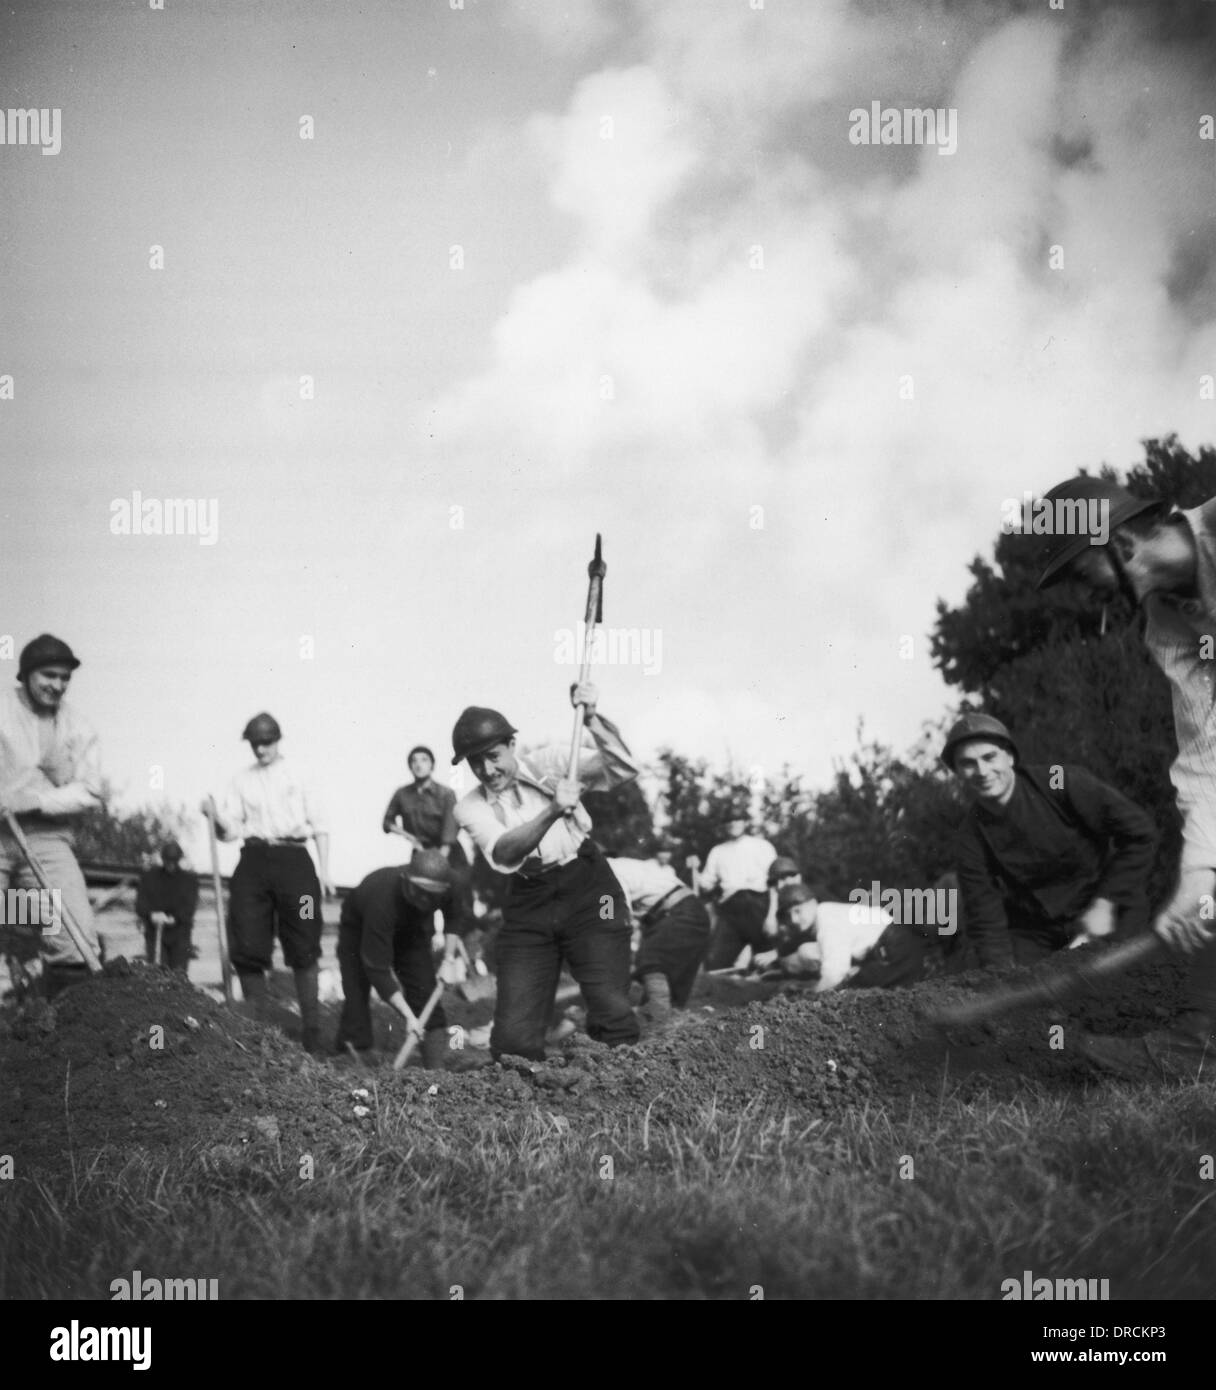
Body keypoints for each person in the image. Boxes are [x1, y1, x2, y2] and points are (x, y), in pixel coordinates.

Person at [1034, 476, 1216, 1078]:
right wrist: (1197, 877)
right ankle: (1196, 1049)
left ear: (1121, 543)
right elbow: (1202, 754)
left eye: (1090, 577)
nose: (1097, 598)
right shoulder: (1168, 625)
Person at [451, 682, 640, 1061]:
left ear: (511, 745)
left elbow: (622, 768)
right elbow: (504, 852)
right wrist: (552, 809)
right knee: (513, 1043)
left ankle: (620, 1097)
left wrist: (591, 718)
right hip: (529, 906)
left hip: (593, 891)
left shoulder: (553, 762)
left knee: (610, 1006)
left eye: (493, 756)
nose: (487, 771)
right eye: (476, 763)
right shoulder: (468, 807)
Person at [943, 712, 1156, 969]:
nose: (982, 771)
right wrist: (1000, 976)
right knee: (1018, 986)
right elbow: (985, 917)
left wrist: (1105, 902)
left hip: (1107, 902)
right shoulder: (969, 836)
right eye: (968, 763)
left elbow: (1139, 832)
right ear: (957, 772)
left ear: (1009, 756)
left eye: (990, 757)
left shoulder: (1059, 781)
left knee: (1119, 979)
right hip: (1038, 929)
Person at [203, 712, 333, 1054]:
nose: (261, 750)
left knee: (305, 936)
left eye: (267, 742)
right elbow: (229, 831)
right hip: (254, 862)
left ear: (278, 740)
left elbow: (320, 823)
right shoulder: (240, 780)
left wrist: (326, 871)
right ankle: (255, 1035)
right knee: (247, 942)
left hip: (297, 865)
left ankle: (313, 1034)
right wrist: (215, 815)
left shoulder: (300, 774)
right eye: (255, 744)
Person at [0, 634, 103, 994]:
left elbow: (90, 791)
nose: (57, 685)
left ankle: (65, 1037)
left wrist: (36, 801)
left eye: (64, 678)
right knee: (8, 922)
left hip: (45, 838)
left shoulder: (78, 727)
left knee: (74, 937)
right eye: (48, 675)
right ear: (26, 674)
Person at [336, 848, 469, 1069]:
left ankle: (436, 1071)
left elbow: (454, 918)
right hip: (360, 927)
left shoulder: (451, 883)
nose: (426, 899)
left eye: (431, 895)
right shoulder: (382, 898)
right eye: (420, 892)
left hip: (412, 928)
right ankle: (353, 1062)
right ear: (407, 881)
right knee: (357, 992)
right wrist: (408, 1016)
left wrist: (448, 959)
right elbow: (377, 969)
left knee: (425, 993)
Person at [606, 850, 711, 1025]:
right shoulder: (626, 864)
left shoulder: (606, 872)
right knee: (672, 978)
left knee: (650, 960)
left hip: (678, 912)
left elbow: (615, 916)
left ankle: (658, 1013)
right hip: (690, 911)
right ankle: (666, 1025)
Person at [757, 882, 923, 992]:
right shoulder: (827, 911)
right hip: (895, 946)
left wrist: (814, 994)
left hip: (895, 949)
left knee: (849, 995)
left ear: (812, 902)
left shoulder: (827, 920)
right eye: (789, 915)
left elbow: (835, 972)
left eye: (797, 911)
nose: (794, 919)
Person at [700, 814, 777, 970]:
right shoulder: (717, 851)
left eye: (737, 819)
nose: (733, 823)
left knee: (766, 961)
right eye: (729, 819)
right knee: (714, 962)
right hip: (731, 911)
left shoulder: (762, 845)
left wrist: (772, 915)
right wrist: (697, 874)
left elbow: (775, 883)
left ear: (745, 822)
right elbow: (705, 884)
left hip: (759, 907)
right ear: (724, 825)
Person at [135, 840, 198, 974]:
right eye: (168, 860)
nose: (170, 864)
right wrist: (151, 914)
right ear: (163, 859)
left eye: (174, 860)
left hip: (180, 935)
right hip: (154, 934)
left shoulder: (189, 880)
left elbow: (190, 907)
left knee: (179, 976)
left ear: (179, 860)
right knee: (157, 974)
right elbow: (141, 904)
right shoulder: (149, 877)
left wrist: (175, 918)